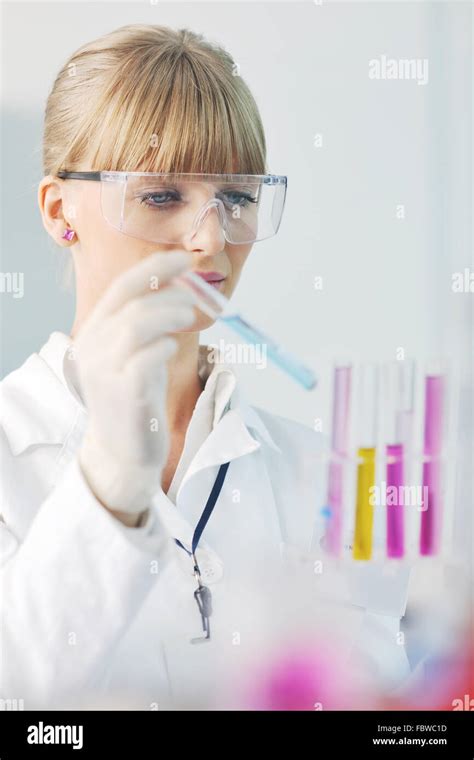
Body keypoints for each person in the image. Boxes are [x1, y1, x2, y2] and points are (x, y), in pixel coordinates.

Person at [0, 24, 409, 710]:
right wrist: (107, 481)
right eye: (163, 196)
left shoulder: (317, 470)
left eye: (237, 197)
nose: (211, 239)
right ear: (59, 210)